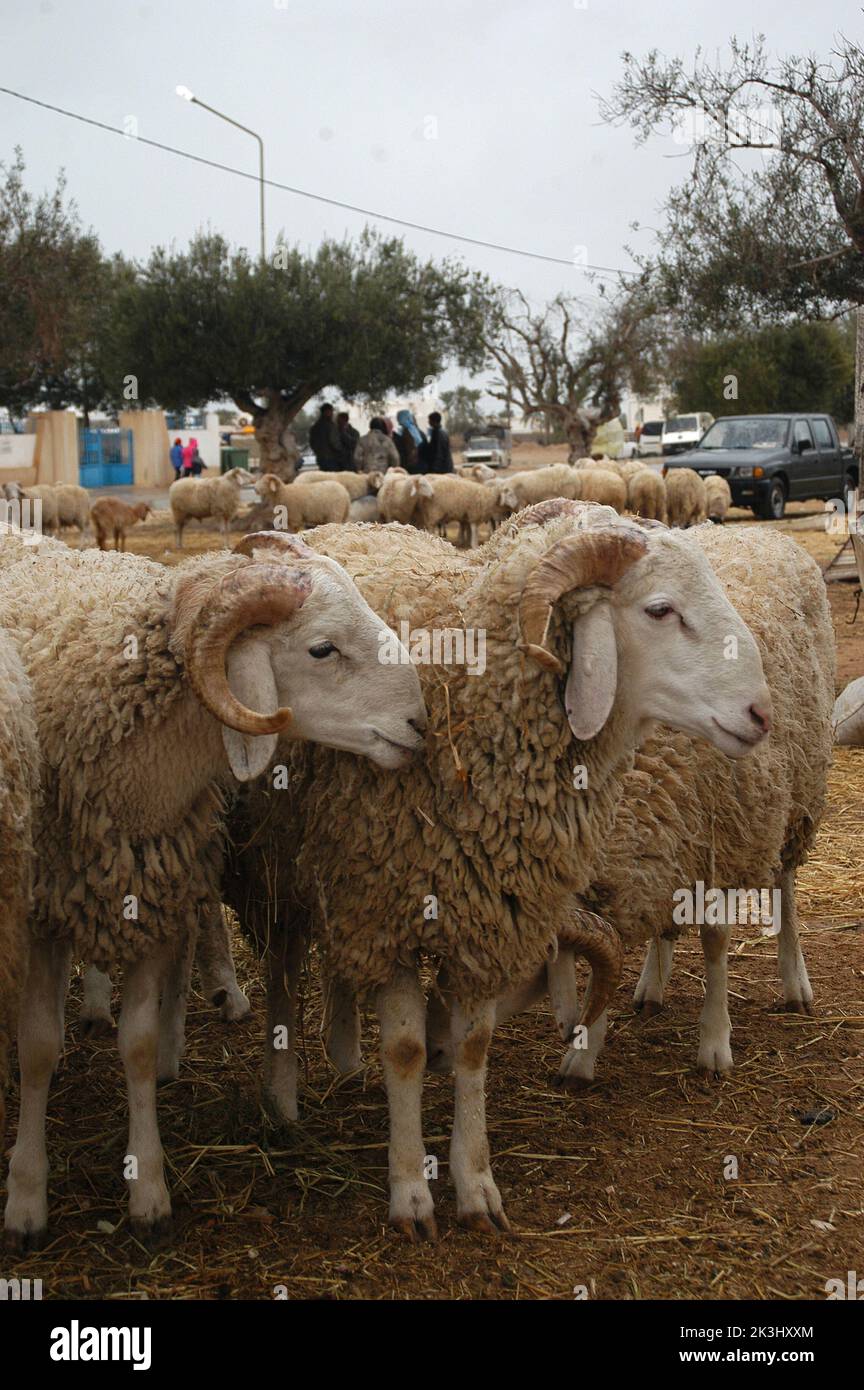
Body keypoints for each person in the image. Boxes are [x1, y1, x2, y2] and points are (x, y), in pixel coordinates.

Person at [308, 404, 343, 470]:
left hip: (321, 458)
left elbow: (311, 443)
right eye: (331, 411)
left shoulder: (315, 426)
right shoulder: (330, 426)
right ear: (326, 412)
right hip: (331, 458)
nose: (332, 413)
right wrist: (341, 451)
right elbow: (334, 442)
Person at [394, 408, 424, 473]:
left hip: (412, 465)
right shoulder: (414, 430)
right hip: (418, 464)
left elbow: (410, 448)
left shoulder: (408, 431)